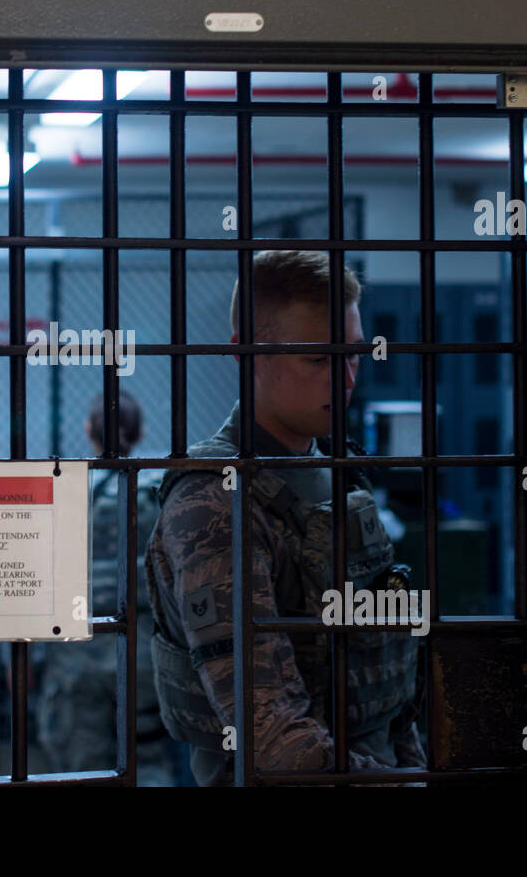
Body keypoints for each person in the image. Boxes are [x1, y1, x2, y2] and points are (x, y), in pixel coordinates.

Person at [145, 250, 426, 786]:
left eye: (353, 355)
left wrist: (413, 770)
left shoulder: (341, 473)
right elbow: (273, 739)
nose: (345, 379)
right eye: (318, 361)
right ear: (247, 355)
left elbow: (389, 699)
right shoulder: (213, 501)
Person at [37, 392, 180, 784]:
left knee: (82, 769)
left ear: (88, 432)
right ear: (140, 432)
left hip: (76, 650)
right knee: (147, 759)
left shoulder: (66, 489)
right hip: (143, 650)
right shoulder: (160, 490)